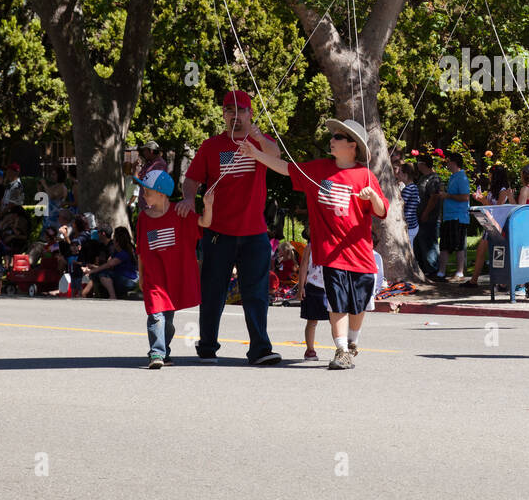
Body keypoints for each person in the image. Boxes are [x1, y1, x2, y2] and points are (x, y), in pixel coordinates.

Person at [239, 118, 388, 371]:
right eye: (333, 137)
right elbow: (286, 168)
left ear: (353, 145)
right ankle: (341, 350)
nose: (331, 140)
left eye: (338, 137)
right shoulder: (319, 169)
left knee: (358, 305)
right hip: (330, 253)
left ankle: (352, 343)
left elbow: (382, 210)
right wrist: (256, 153)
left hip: (360, 254)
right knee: (337, 301)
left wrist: (373, 196)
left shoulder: (365, 175)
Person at [177, 90, 283, 365]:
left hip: (254, 233)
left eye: (241, 111)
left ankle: (260, 349)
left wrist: (259, 140)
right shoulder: (211, 146)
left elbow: (278, 155)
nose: (235, 117)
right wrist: (189, 198)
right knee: (213, 291)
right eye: (229, 111)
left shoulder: (260, 142)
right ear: (223, 114)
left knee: (256, 293)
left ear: (250, 113)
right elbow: (191, 180)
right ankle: (208, 346)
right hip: (218, 232)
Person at [135, 170, 211, 368]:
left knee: (166, 319)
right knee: (155, 314)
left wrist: (208, 206)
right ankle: (156, 353)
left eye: (147, 192)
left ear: (161, 193)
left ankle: (164, 351)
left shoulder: (180, 212)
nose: (144, 195)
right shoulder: (143, 217)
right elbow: (141, 250)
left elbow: (204, 223)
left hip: (173, 277)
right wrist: (141, 275)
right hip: (154, 277)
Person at [466, 165, 516, 287]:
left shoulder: (503, 190)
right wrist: (481, 199)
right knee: (482, 251)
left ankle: (498, 282)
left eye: (490, 174)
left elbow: (497, 208)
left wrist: (483, 200)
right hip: (489, 222)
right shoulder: (493, 189)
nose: (489, 176)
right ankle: (475, 280)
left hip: (496, 224)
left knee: (494, 252)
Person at [435, 152, 471, 281]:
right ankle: (441, 272)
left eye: (448, 161)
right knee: (444, 245)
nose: (447, 164)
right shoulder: (453, 177)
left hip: (458, 217)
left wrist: (448, 196)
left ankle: (460, 272)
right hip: (448, 217)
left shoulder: (461, 177)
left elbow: (465, 197)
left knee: (458, 245)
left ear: (454, 163)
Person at [81, 225, 137, 299]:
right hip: (120, 278)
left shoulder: (124, 253)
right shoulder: (116, 252)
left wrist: (91, 271)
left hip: (129, 281)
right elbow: (108, 265)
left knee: (103, 274)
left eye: (114, 237)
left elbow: (108, 265)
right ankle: (87, 294)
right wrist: (92, 269)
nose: (113, 239)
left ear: (117, 240)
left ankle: (112, 296)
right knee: (96, 274)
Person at [296, 243, 328, 361]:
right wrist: (301, 287)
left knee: (335, 320)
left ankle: (341, 348)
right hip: (313, 286)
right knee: (312, 321)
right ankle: (310, 349)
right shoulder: (310, 247)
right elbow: (303, 266)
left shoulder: (335, 243)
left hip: (331, 287)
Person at [412, 155, 443, 276]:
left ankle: (433, 269)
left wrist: (426, 213)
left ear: (423, 164)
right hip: (420, 218)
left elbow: (434, 197)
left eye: (418, 162)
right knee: (420, 243)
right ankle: (424, 269)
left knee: (429, 244)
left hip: (430, 218)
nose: (417, 165)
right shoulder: (422, 178)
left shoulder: (433, 178)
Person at [136, 141, 169, 213]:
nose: (143, 153)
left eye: (145, 150)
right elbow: (138, 180)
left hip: (152, 207)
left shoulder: (159, 164)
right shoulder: (148, 164)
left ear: (151, 151)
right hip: (144, 205)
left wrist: (135, 169)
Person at [399, 163, 421, 246]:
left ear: (405, 174)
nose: (398, 174)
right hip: (413, 224)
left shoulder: (408, 189)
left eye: (400, 172)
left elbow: (400, 204)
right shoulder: (414, 187)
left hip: (410, 226)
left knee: (408, 249)